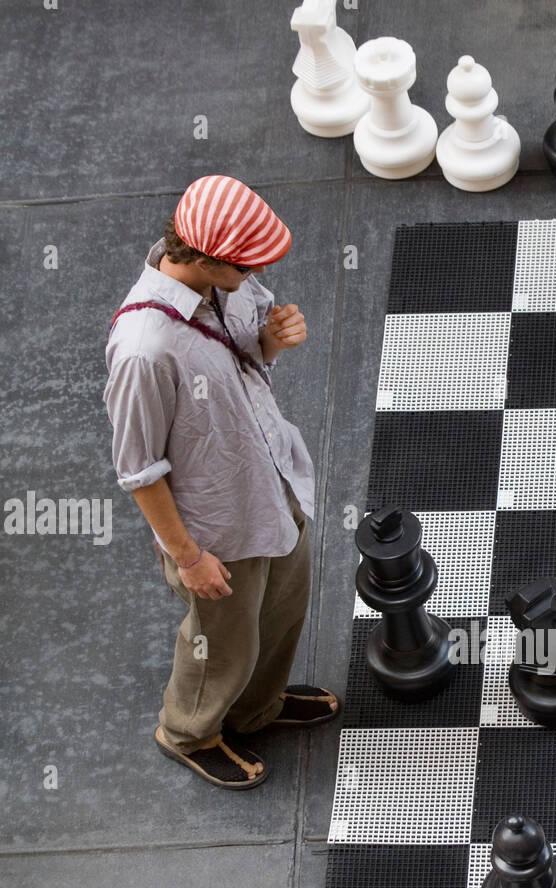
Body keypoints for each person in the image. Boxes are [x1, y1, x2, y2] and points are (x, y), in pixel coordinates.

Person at [104, 174, 339, 788]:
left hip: (272, 479)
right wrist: (189, 557)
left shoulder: (225, 281)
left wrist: (268, 341)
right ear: (206, 256)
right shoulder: (143, 350)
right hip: (216, 528)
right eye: (249, 262)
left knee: (283, 609)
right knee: (222, 643)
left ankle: (257, 709)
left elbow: (243, 355)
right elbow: (138, 469)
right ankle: (188, 731)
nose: (259, 273)